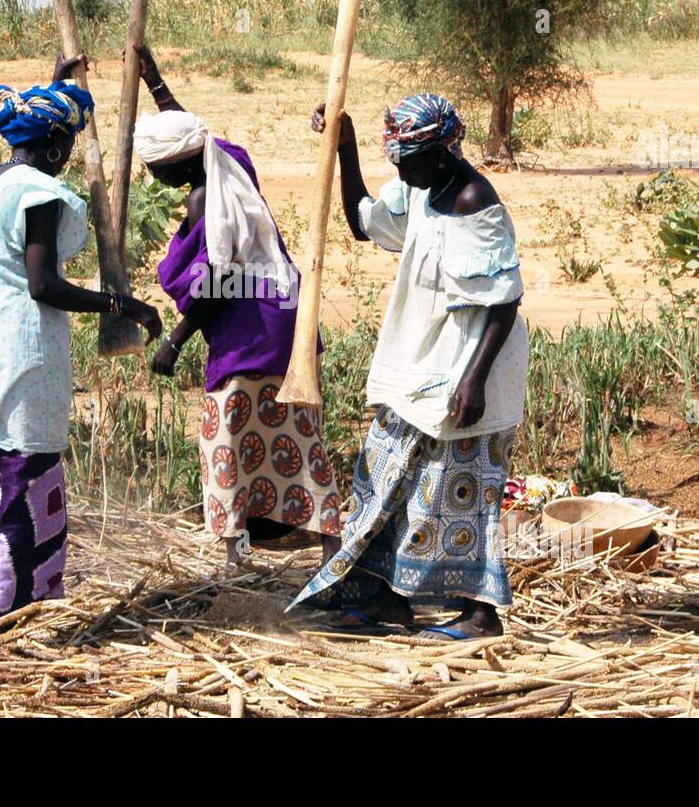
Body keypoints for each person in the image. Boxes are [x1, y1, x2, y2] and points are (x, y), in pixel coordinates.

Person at [290, 93, 528, 640]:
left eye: (408, 160)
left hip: (473, 363)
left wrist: (473, 381)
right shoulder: (423, 188)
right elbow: (363, 222)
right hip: (422, 359)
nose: (399, 169)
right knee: (383, 471)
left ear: (444, 151)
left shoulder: (473, 203)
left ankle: (479, 613)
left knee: (456, 486)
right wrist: (345, 148)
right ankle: (382, 598)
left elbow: (504, 299)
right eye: (394, 159)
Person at [0, 53, 163, 622]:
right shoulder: (40, 192)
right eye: (64, 150)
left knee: (1, 476)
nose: (66, 162)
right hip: (19, 350)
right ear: (53, 150)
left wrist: (60, 81)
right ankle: (15, 613)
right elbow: (43, 285)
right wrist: (121, 305)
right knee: (28, 479)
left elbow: (33, 129)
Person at [128, 45, 342, 567]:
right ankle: (332, 545)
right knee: (296, 432)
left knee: (224, 437)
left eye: (156, 170)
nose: (154, 180)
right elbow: (190, 132)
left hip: (251, 329)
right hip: (284, 314)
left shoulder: (206, 200)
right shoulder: (229, 160)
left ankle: (234, 556)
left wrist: (174, 344)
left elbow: (216, 282)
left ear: (177, 168)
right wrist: (156, 84)